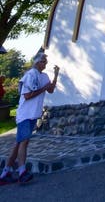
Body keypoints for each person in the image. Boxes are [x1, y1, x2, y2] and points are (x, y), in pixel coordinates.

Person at [0, 52, 59, 185]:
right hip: (25, 114)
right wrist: (43, 88)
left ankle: (5, 173)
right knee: (24, 142)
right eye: (43, 61)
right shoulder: (30, 75)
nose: (45, 64)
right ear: (37, 62)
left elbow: (50, 90)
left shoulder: (44, 76)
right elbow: (27, 95)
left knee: (18, 144)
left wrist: (55, 75)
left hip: (33, 114)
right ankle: (22, 172)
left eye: (46, 62)